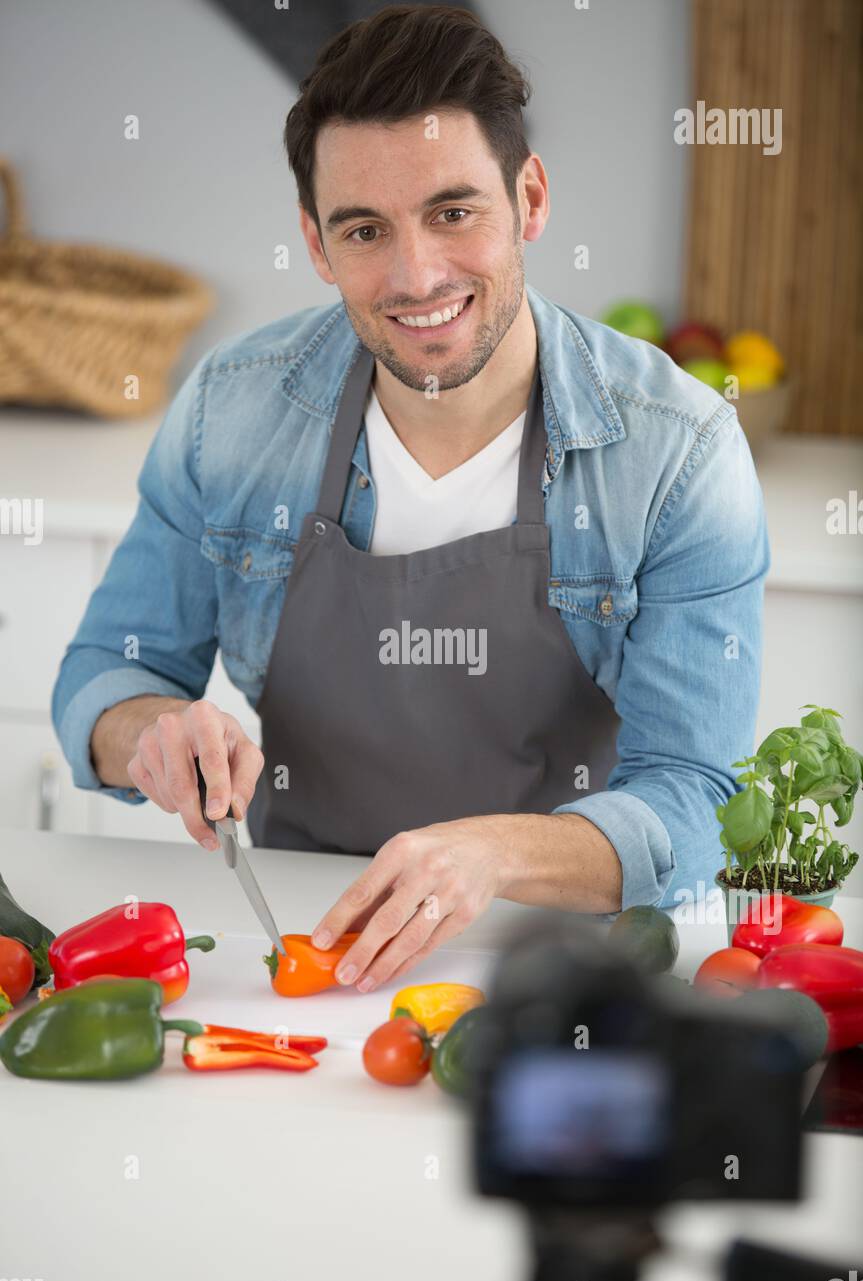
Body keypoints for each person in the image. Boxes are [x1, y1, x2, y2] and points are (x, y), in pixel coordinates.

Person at [51, 4, 770, 993]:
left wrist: (483, 856)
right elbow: (104, 671)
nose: (415, 273)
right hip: (307, 945)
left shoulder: (678, 451)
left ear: (529, 197)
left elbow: (695, 799)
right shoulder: (233, 409)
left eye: (452, 211)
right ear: (314, 242)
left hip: (553, 964)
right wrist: (151, 735)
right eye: (364, 229)